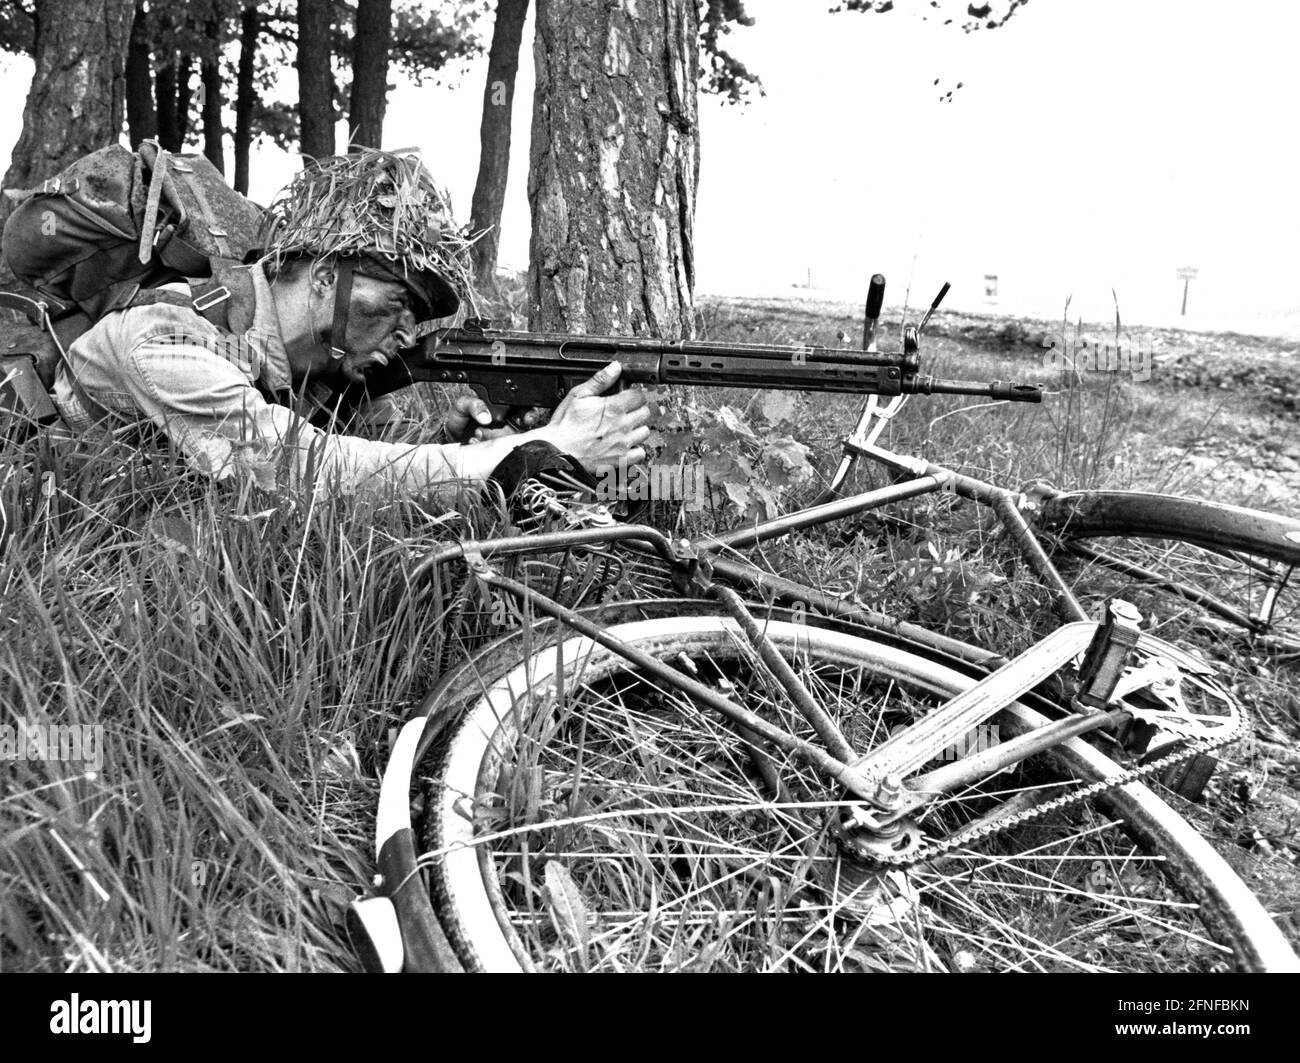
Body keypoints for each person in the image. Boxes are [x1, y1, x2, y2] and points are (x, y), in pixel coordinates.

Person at [47, 149, 651, 498]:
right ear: (322, 279)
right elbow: (307, 473)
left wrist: (452, 446)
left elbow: (366, 459)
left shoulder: (317, 367)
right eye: (399, 304)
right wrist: (537, 448)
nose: (409, 335)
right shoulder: (168, 341)